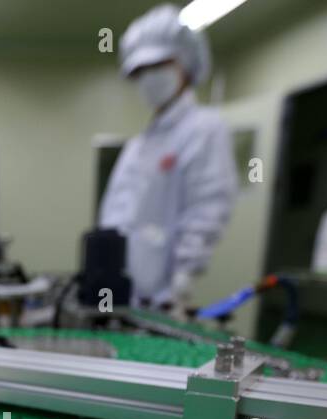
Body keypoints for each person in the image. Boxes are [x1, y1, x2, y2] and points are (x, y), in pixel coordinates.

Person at [99, 3, 237, 314]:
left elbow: (209, 206)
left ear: (185, 65)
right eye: (139, 72)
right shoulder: (138, 145)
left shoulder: (205, 128)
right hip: (121, 295)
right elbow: (116, 219)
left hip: (161, 298)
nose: (148, 77)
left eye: (158, 65)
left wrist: (184, 276)